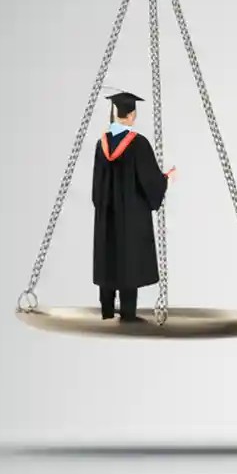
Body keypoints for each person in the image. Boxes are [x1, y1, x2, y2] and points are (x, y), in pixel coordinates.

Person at [92, 91, 176, 321]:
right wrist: (166, 179)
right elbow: (151, 182)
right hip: (131, 219)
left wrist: (104, 209)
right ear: (131, 115)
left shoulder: (101, 145)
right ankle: (128, 315)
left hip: (106, 219)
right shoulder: (138, 144)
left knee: (108, 260)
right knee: (129, 262)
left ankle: (107, 312)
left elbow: (95, 190)